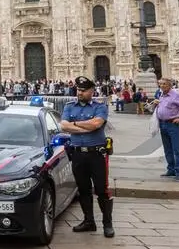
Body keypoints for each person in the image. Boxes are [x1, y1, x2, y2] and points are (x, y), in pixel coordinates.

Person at [60, 76, 114, 238]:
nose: (80, 93)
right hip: (77, 154)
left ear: (91, 91)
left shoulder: (100, 106)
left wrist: (74, 125)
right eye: (78, 90)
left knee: (101, 190)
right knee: (83, 189)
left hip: (97, 154)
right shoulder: (69, 106)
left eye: (83, 90)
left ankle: (107, 224)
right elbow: (63, 126)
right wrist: (85, 126)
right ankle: (89, 221)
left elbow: (96, 124)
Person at [151, 78, 179, 181]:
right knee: (167, 149)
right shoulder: (161, 95)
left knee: (176, 149)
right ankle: (171, 170)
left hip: (172, 125)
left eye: (164, 84)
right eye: (160, 84)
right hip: (162, 124)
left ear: (169, 85)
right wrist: (155, 104)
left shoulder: (176, 95)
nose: (161, 86)